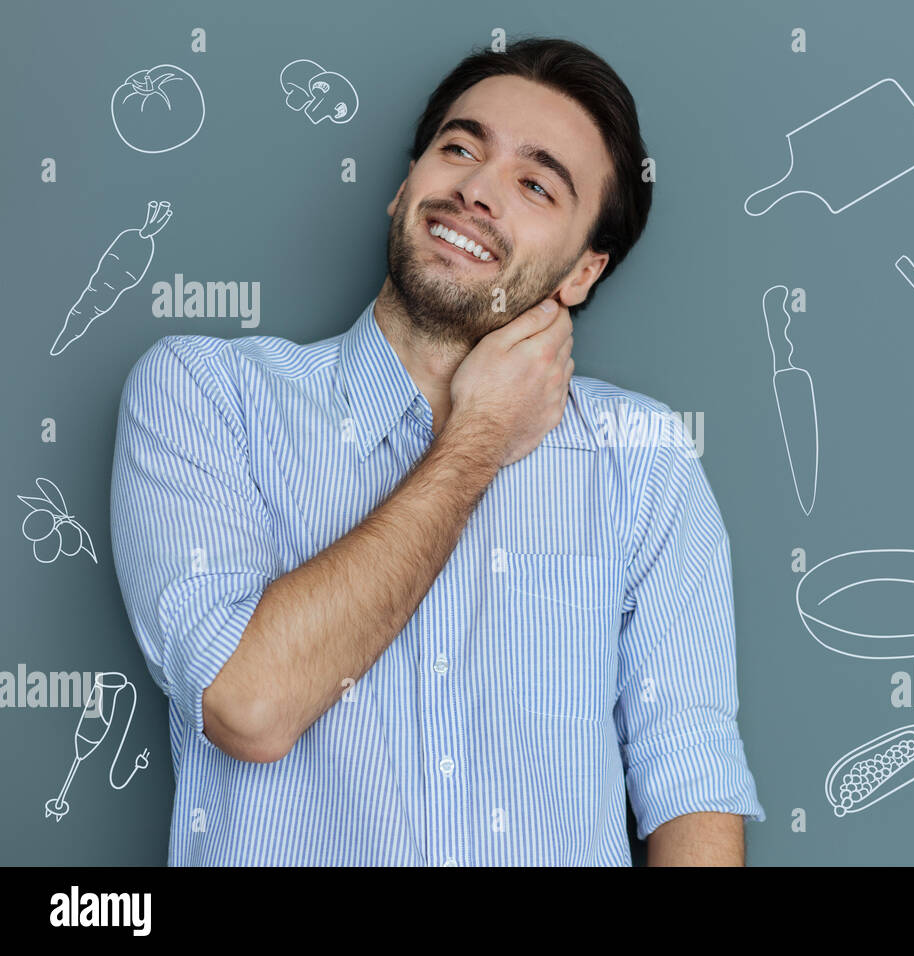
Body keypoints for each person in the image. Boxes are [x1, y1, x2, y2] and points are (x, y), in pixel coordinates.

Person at [109, 36, 764, 866]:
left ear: (582, 273)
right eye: (459, 147)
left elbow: (690, 780)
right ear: (401, 188)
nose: (477, 189)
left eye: (535, 184)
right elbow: (249, 705)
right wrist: (479, 440)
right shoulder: (208, 395)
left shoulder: (643, 460)